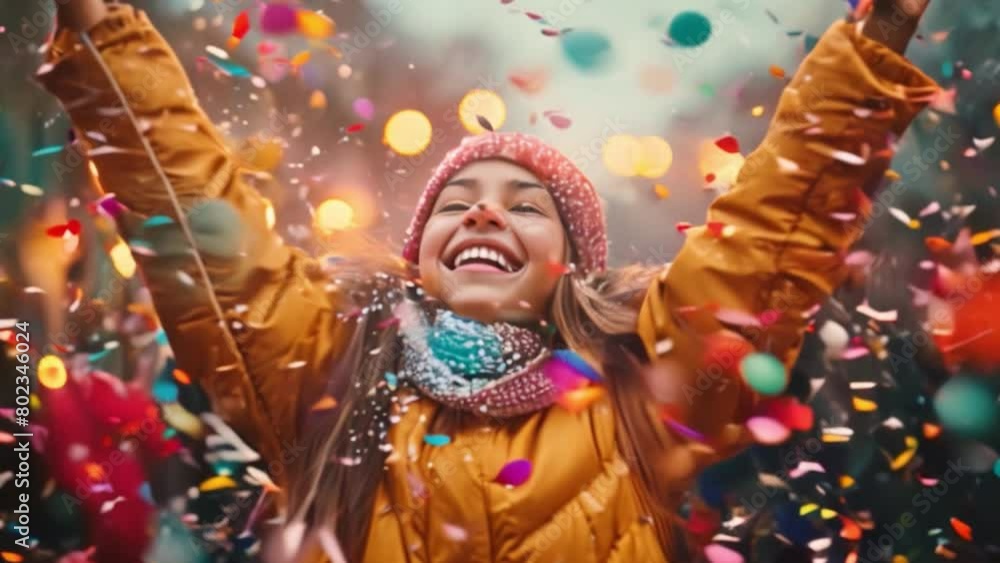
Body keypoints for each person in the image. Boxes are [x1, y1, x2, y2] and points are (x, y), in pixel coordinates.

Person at [41, 0, 938, 561]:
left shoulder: (647, 385)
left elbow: (770, 236)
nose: (481, 214)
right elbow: (199, 220)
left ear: (572, 272)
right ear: (419, 248)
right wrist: (102, 25)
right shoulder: (327, 378)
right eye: (456, 201)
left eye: (525, 205)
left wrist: (879, 34)